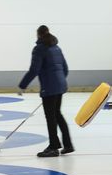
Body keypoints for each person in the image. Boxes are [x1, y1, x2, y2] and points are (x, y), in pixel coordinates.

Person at [19, 25, 73, 157]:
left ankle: (54, 147)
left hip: (49, 87)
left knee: (51, 117)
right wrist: (59, 83)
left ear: (38, 35)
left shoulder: (39, 49)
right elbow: (65, 69)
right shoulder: (57, 47)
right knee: (57, 114)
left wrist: (23, 85)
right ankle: (68, 145)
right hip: (60, 86)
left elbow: (34, 70)